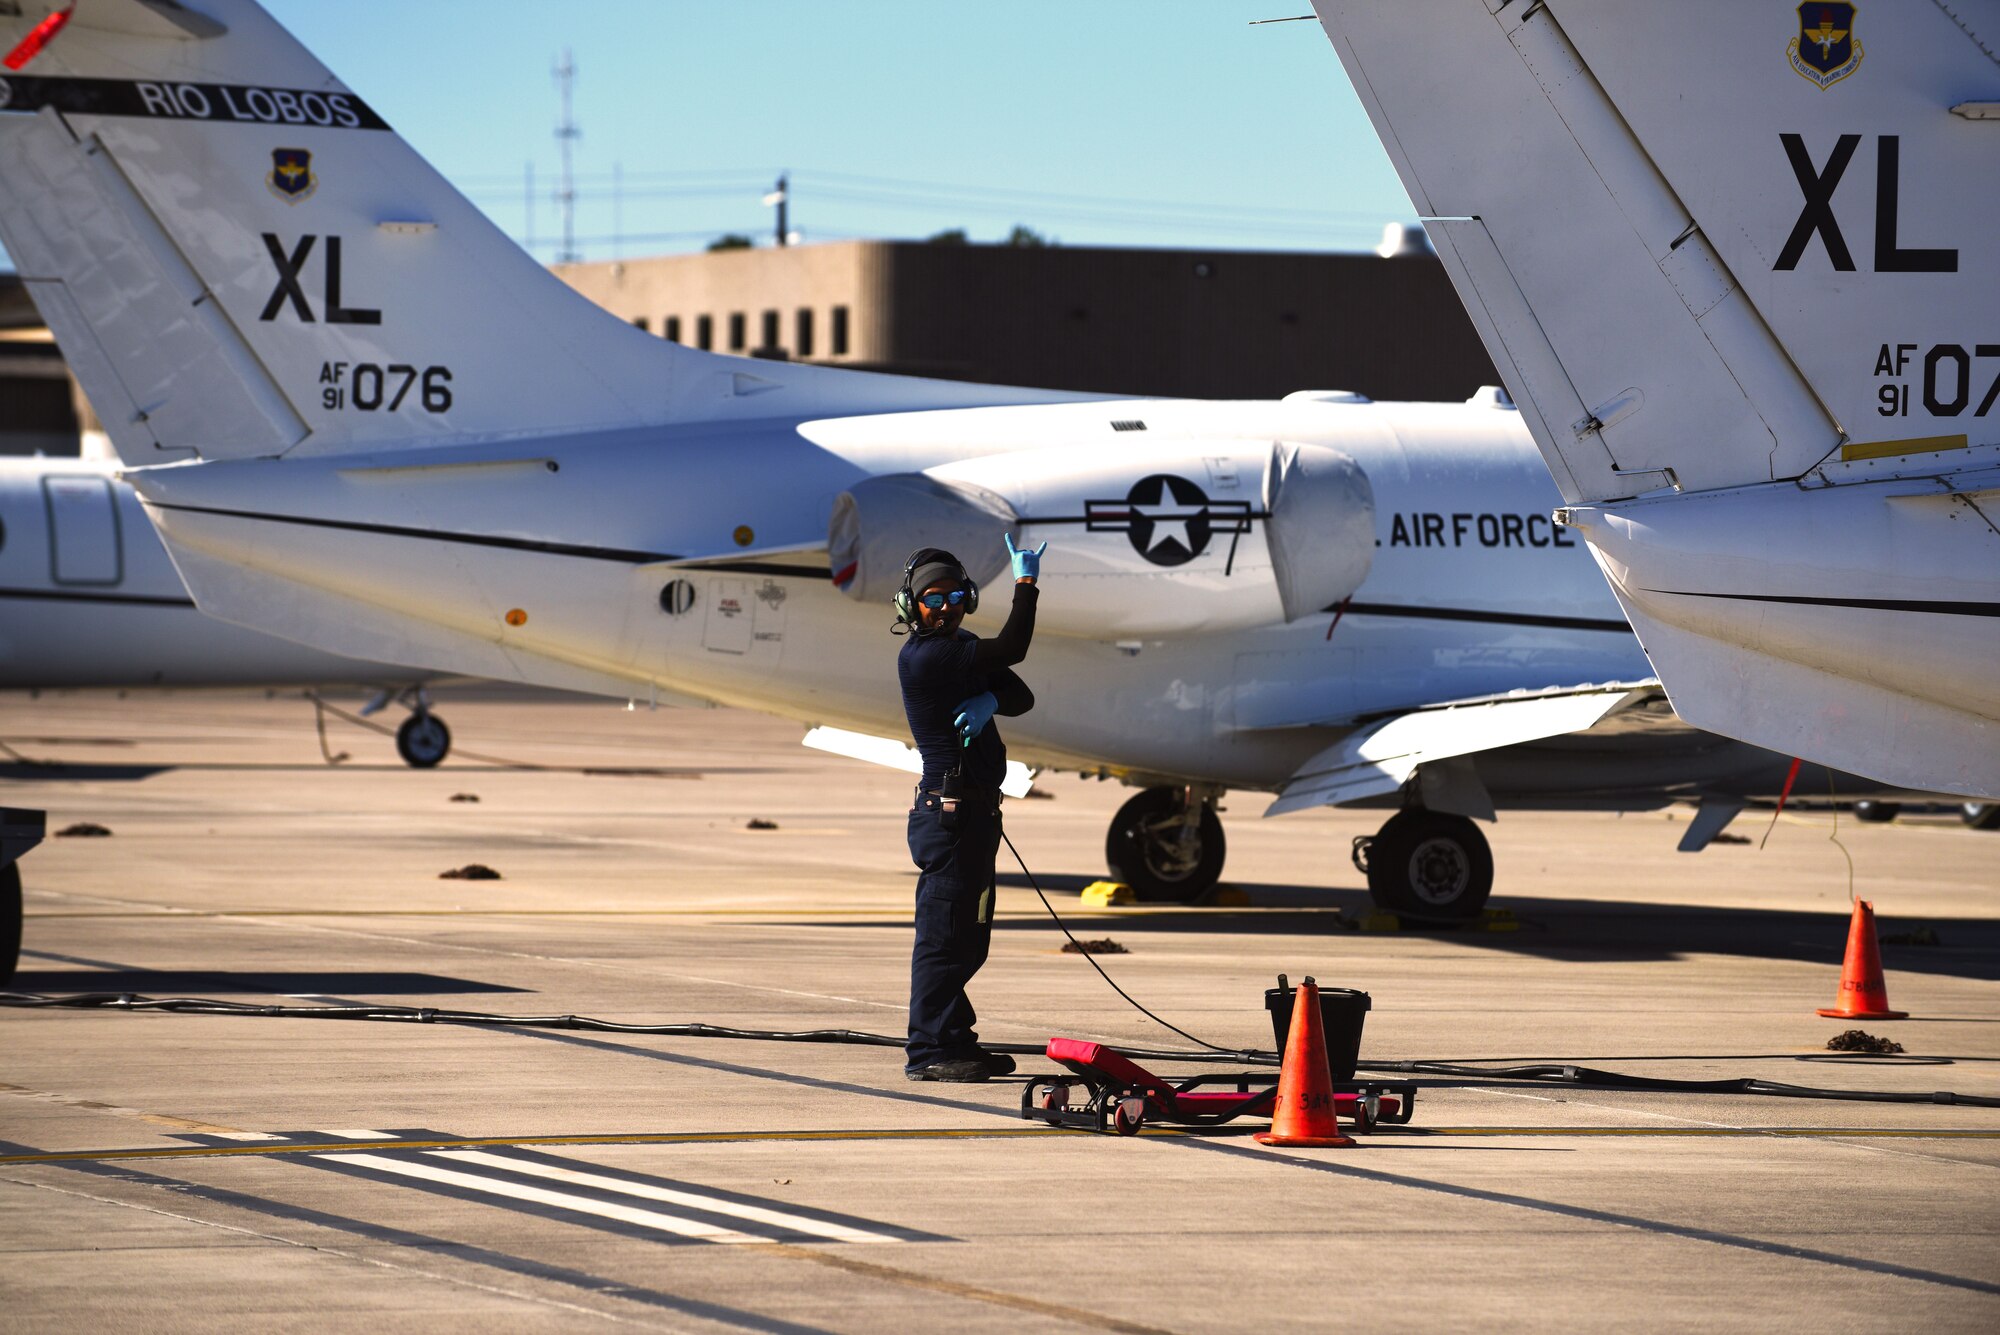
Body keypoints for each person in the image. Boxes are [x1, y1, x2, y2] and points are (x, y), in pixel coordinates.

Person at [895, 534, 1046, 1081]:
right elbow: (1013, 649)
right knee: (945, 937)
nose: (946, 608)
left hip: (975, 814)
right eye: (933, 599)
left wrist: (990, 698)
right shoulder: (928, 655)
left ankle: (954, 1039)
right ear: (911, 606)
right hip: (950, 815)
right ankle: (929, 1051)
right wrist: (1026, 585)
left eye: (956, 596)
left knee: (967, 938)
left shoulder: (962, 650)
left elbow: (1022, 696)